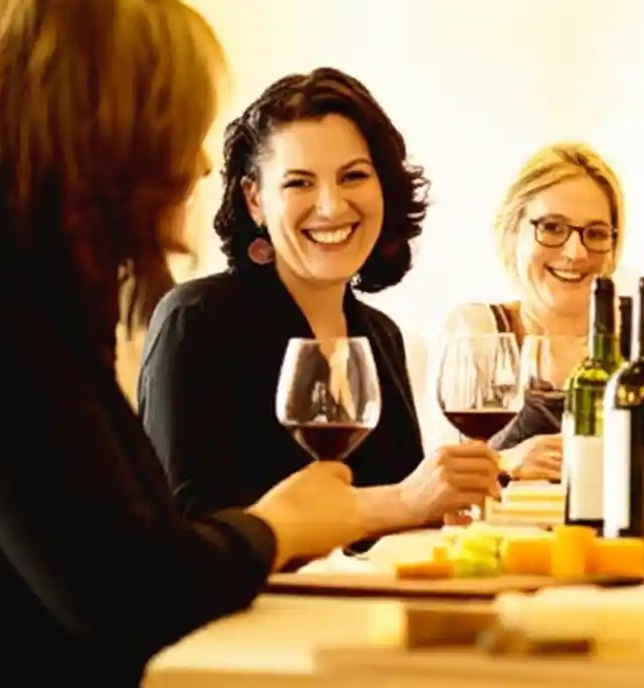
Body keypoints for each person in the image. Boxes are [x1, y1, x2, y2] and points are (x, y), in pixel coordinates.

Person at [0, 0, 366, 683]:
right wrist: (278, 527)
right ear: (109, 138)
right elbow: (131, 597)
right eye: (180, 132)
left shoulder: (24, 293)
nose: (197, 164)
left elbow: (129, 546)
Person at [139, 67, 502, 531]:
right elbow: (195, 529)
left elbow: (404, 523)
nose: (331, 206)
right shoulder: (197, 320)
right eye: (299, 183)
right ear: (255, 199)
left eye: (353, 176)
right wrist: (400, 503)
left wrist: (451, 496)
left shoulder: (381, 335)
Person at [439, 142, 626, 481]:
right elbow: (433, 478)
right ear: (512, 232)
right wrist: (506, 462)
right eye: (552, 227)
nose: (575, 252)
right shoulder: (478, 332)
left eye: (596, 233)